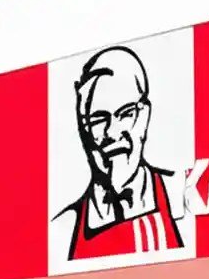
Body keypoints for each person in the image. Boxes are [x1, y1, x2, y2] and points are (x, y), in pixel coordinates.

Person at [56, 46, 184, 261]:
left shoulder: (180, 195)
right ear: (82, 128)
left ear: (144, 116)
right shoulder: (63, 229)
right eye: (98, 119)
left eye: (126, 114)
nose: (112, 132)